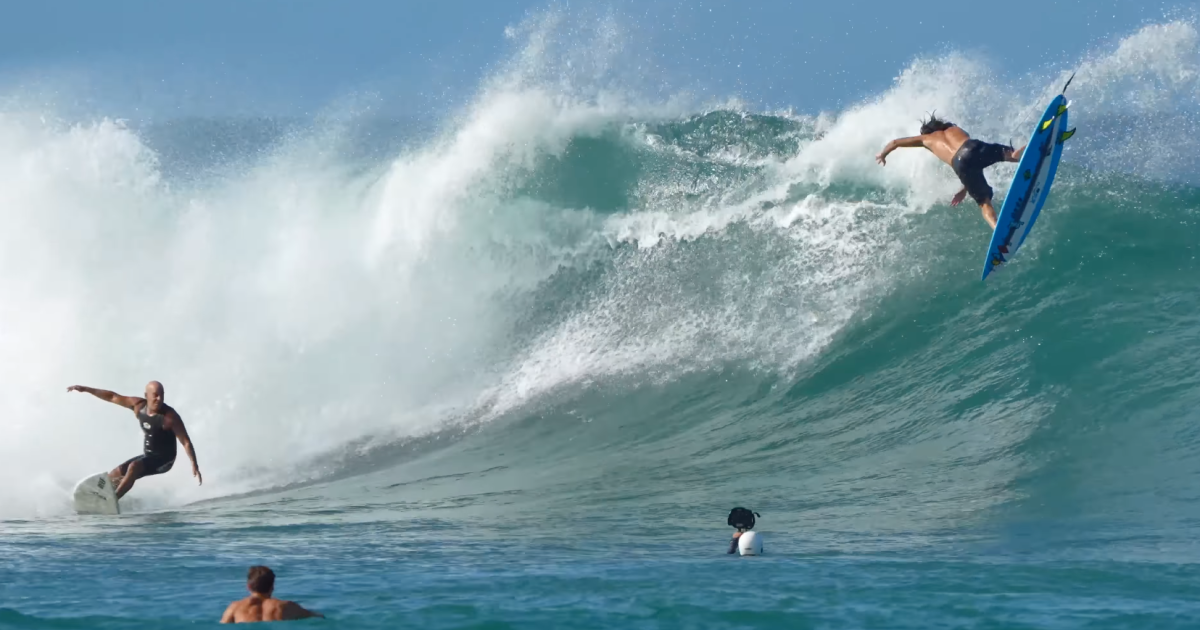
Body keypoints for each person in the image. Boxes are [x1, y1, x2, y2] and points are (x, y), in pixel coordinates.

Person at [876, 114, 1027, 230]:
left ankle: (997, 228)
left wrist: (882, 154)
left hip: (959, 163)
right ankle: (1020, 154)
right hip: (971, 146)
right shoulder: (954, 129)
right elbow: (973, 158)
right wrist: (964, 190)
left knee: (984, 203)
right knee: (1006, 154)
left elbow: (895, 142)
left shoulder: (925, 139)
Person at [67, 381, 201, 499]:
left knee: (134, 467)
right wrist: (86, 389)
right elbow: (112, 397)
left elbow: (186, 441)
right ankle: (97, 496)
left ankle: (113, 499)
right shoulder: (138, 406)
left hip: (165, 460)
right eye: (155, 395)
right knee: (116, 473)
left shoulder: (170, 417)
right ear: (146, 395)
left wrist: (194, 465)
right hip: (149, 456)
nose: (159, 399)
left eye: (161, 395)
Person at [221, 566, 324, 623]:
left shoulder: (234, 607)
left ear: (248, 586)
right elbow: (318, 616)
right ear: (272, 587)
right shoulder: (286, 606)